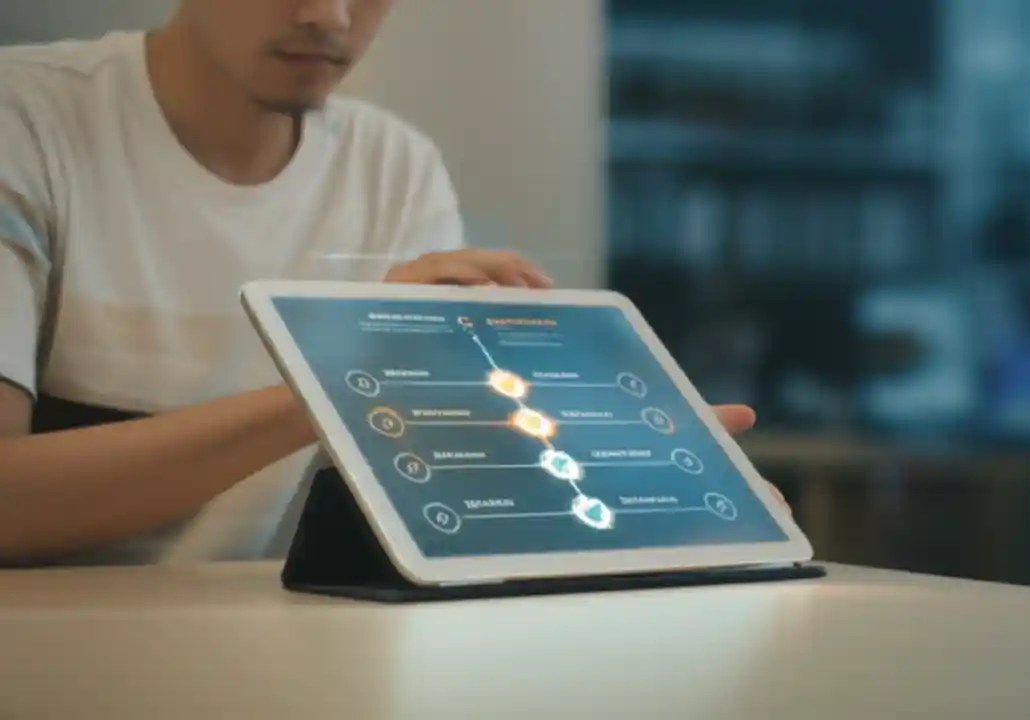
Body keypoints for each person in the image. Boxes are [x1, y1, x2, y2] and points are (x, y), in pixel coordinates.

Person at [0, 0, 770, 566]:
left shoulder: (393, 166)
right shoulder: (27, 118)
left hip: (286, 642)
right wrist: (345, 378)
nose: (328, 16)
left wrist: (646, 487)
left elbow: (445, 495)